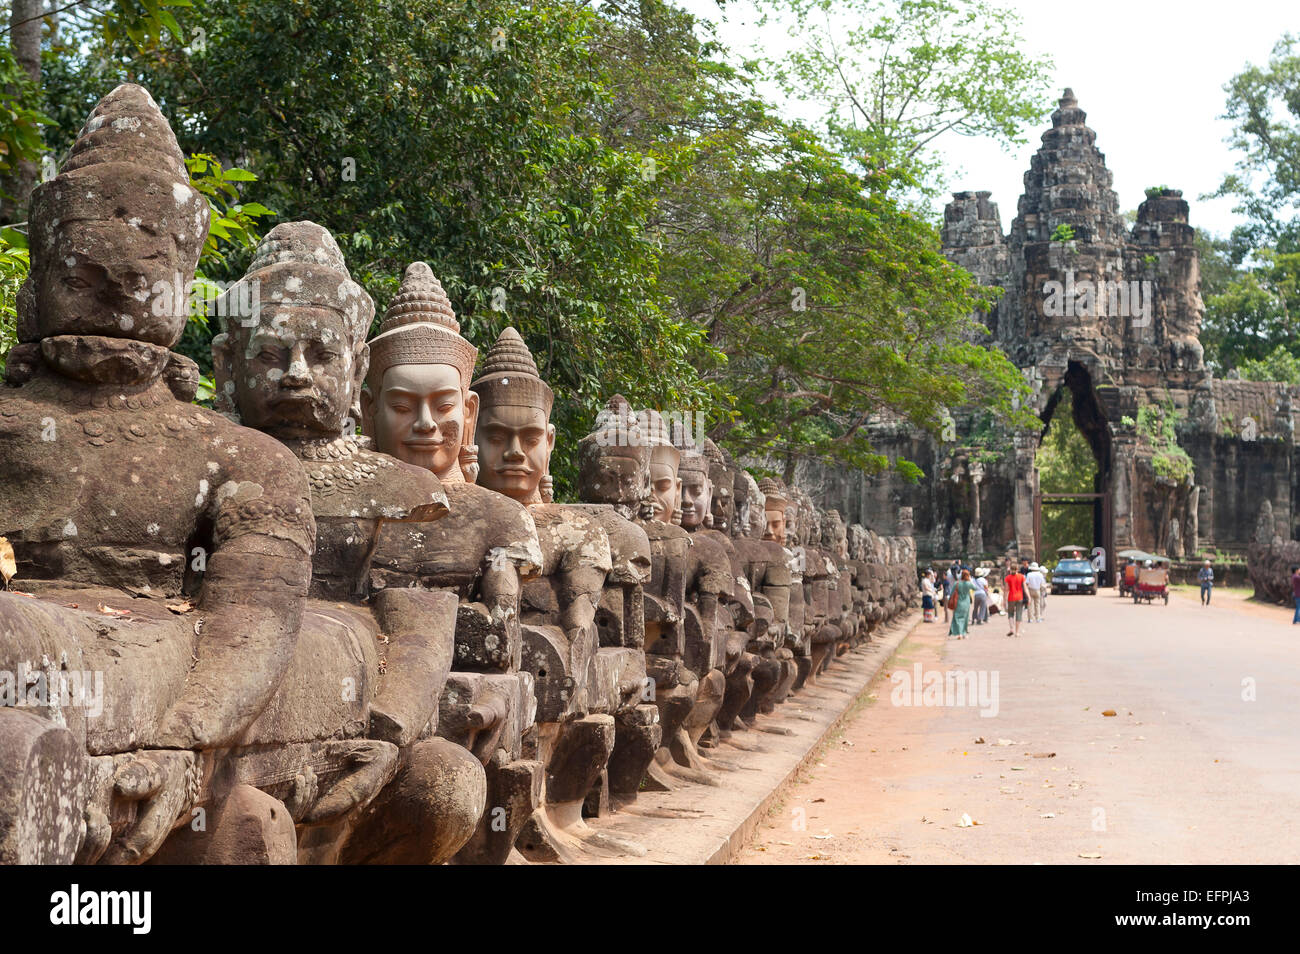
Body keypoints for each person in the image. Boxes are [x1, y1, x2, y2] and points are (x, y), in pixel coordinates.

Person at [949, 569, 975, 639]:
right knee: (965, 618)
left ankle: (959, 633)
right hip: (966, 603)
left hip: (958, 602)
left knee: (957, 618)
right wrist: (970, 581)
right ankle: (964, 633)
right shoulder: (968, 583)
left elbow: (951, 593)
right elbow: (975, 588)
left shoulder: (957, 583)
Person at [1004, 562, 1026, 637]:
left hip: (1011, 597)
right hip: (1020, 597)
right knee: (1019, 614)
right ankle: (1017, 632)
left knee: (1010, 613)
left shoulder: (1007, 578)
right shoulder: (1022, 576)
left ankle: (1011, 629)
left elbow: (1006, 590)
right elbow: (1025, 588)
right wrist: (1029, 597)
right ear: (1017, 569)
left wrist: (1004, 600)